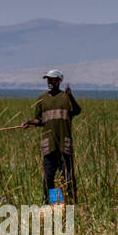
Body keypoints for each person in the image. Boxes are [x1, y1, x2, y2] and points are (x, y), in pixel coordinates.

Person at [21, 70, 81, 204]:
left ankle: (71, 203)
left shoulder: (66, 98)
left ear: (59, 81)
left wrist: (71, 96)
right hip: (49, 144)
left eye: (53, 79)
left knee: (67, 176)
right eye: (48, 79)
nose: (49, 82)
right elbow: (40, 120)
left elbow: (77, 111)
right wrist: (29, 122)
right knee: (49, 176)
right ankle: (53, 203)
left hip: (64, 144)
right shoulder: (42, 99)